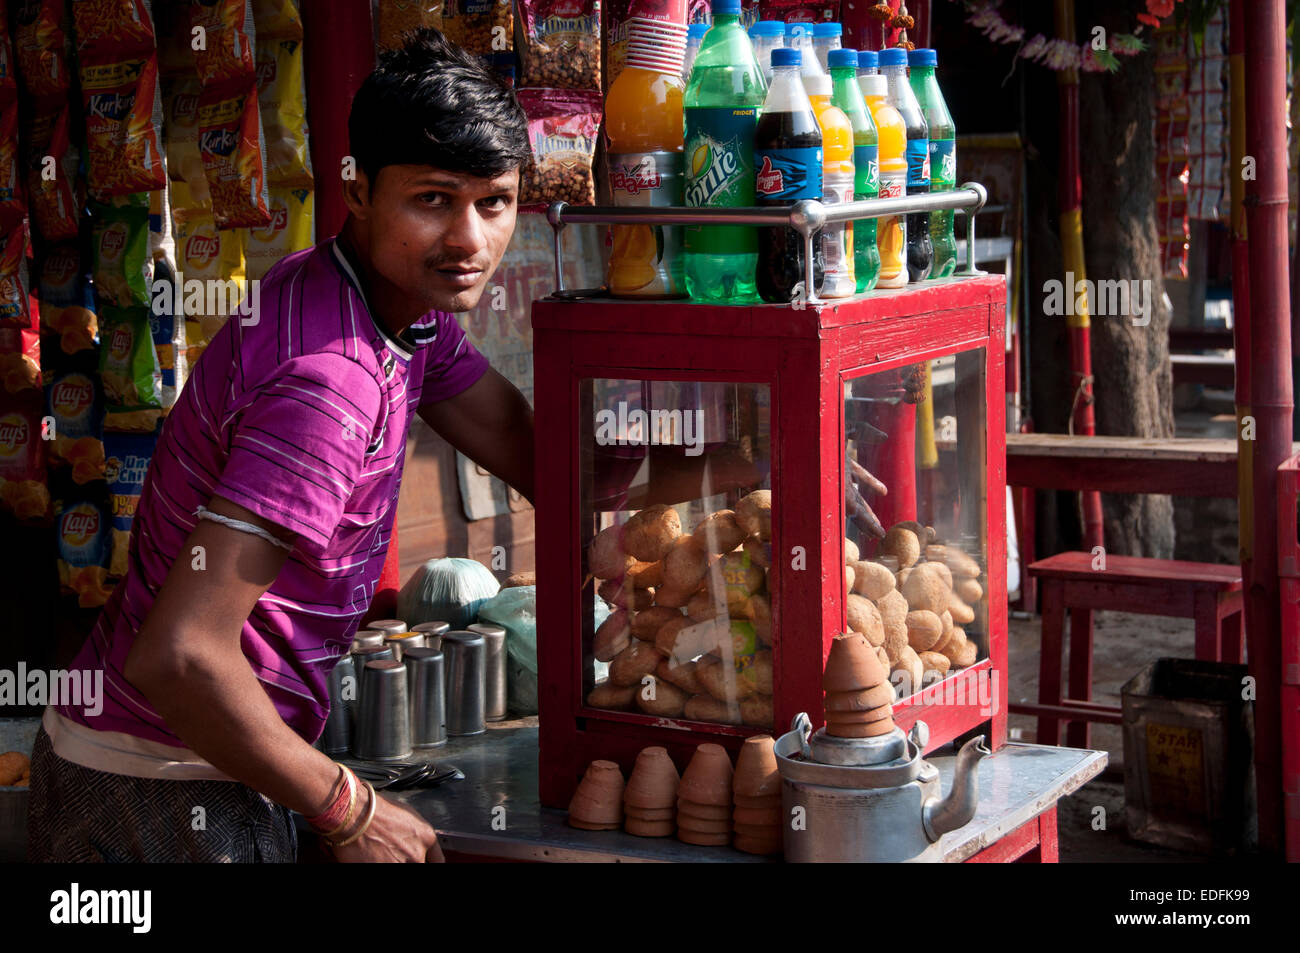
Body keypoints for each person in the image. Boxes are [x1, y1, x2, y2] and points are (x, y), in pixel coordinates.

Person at [27, 29, 534, 863]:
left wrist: (704, 478)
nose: (470, 241)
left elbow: (526, 444)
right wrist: (352, 809)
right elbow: (181, 655)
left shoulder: (394, 305)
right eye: (433, 200)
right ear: (359, 191)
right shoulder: (330, 383)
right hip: (164, 790)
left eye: (494, 202)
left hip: (184, 763)